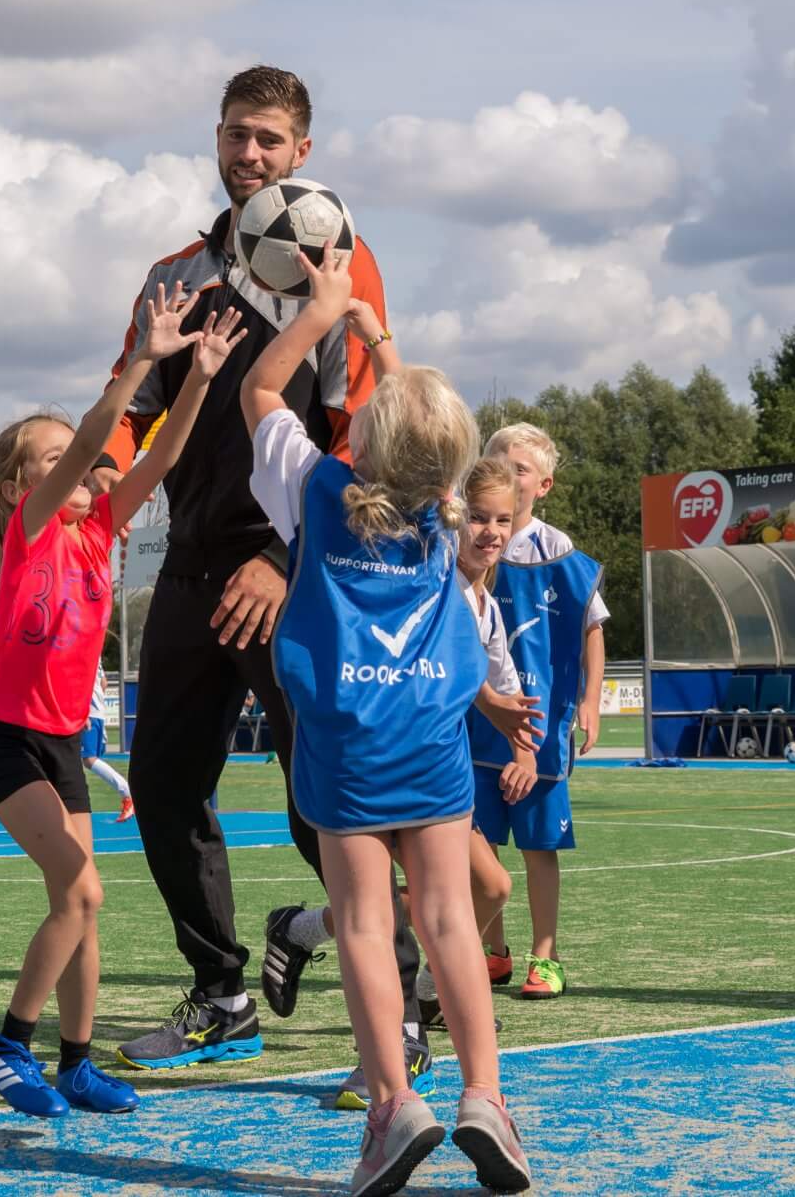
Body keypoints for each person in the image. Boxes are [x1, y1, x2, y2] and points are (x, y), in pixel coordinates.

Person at [101, 65, 403, 1076]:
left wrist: (282, 557)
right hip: (187, 572)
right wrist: (86, 497)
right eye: (236, 134)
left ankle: (393, 1001)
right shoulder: (172, 275)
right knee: (162, 782)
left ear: (302, 152)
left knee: (322, 795)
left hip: (300, 580)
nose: (249, 154)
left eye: (269, 139)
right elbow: (127, 415)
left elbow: (363, 446)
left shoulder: (340, 279)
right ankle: (221, 993)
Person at [241, 250, 531, 1195]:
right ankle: (487, 1098)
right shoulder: (442, 509)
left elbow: (259, 387)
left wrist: (322, 309)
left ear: (363, 435)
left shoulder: (318, 489)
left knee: (367, 925)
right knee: (450, 918)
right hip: (432, 731)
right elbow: (422, 432)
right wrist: (377, 339)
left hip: (345, 732)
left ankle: (392, 1104)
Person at [0, 291, 240, 1118]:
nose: (79, 466)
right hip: (5, 740)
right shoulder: (36, 527)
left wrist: (198, 375)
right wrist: (140, 363)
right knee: (80, 893)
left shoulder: (99, 530)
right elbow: (101, 436)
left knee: (83, 906)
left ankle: (75, 1062)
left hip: (61, 740)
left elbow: (157, 455)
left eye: (76, 460)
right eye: (53, 459)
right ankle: (8, 1047)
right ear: (23, 484)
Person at [261, 452, 544, 1107]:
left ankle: (307, 931)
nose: (490, 531)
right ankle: (396, 1048)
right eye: (477, 516)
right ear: (449, 514)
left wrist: (514, 734)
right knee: (394, 911)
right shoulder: (424, 563)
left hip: (430, 770)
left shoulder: (484, 600)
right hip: (376, 758)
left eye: (504, 519)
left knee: (483, 888)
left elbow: (491, 678)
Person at [476, 422, 608, 1000]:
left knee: (538, 846)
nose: (508, 474)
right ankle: (492, 952)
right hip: (475, 721)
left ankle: (546, 957)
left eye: (520, 468)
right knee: (477, 844)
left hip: (538, 718)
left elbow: (591, 626)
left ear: (544, 485)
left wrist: (589, 700)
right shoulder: (470, 539)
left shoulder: (560, 552)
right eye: (497, 463)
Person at [81, 679, 133, 821]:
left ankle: (127, 793)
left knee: (89, 759)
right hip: (96, 711)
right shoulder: (97, 660)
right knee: (85, 758)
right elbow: (104, 682)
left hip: (88, 712)